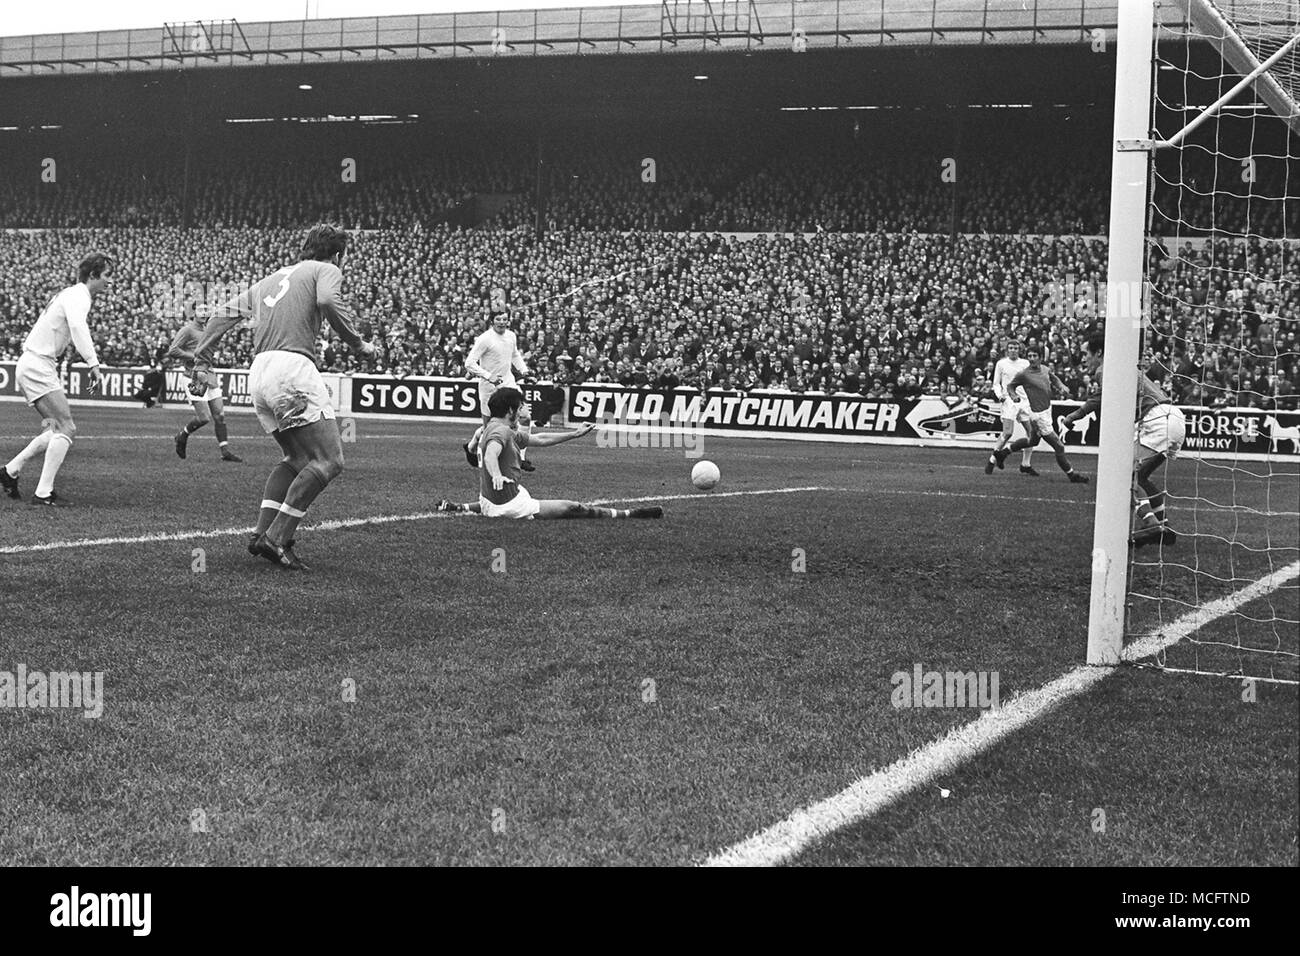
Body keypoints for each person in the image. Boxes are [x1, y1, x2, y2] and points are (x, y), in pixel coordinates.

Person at [190, 223, 378, 570]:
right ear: (338, 254)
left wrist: (202, 362)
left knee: (297, 457)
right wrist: (358, 344)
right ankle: (276, 538)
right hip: (292, 369)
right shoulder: (326, 269)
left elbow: (221, 315)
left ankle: (260, 534)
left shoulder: (270, 279)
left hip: (260, 372)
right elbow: (327, 300)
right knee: (329, 461)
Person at [438, 387, 663, 520]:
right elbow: (490, 454)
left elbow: (539, 439)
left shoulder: (494, 427)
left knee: (515, 494)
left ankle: (463, 507)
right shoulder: (501, 432)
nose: (523, 410)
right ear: (510, 410)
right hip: (509, 508)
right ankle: (629, 514)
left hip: (489, 500)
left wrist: (574, 434)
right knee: (572, 508)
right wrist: (496, 474)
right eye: (520, 406)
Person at [1, 253, 111, 507]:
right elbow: (78, 327)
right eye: (107, 275)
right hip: (38, 364)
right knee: (66, 427)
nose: (110, 281)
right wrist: (93, 363)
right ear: (93, 275)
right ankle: (43, 493)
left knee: (56, 428)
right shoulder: (79, 296)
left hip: (35, 363)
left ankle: (10, 471)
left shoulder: (71, 294)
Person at [1060, 332, 1185, 548]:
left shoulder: (1105, 368)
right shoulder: (1123, 365)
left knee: (1124, 474)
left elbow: (1099, 398)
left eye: (1086, 353)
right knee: (1140, 476)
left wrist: (1073, 416)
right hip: (1174, 418)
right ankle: (1163, 526)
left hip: (1155, 420)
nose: (1084, 359)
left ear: (1099, 352)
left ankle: (1151, 524)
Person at [991, 347, 1089, 484]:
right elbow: (1010, 386)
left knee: (1033, 441)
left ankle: (1002, 453)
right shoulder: (1024, 374)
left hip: (1047, 410)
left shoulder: (1045, 369)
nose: (1031, 358)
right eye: (1029, 356)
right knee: (1059, 446)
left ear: (1040, 357)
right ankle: (1072, 475)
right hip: (1037, 415)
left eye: (1034, 355)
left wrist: (1062, 386)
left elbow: (1054, 378)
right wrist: (1013, 396)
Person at [463, 297, 534, 472]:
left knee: (525, 417)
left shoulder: (511, 336)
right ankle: (472, 447)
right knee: (491, 428)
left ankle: (520, 457)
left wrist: (524, 370)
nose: (502, 322)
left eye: (504, 319)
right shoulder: (485, 339)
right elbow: (469, 363)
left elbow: (515, 355)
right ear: (492, 321)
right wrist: (489, 376)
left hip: (509, 383)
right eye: (498, 319)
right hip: (489, 388)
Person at [164, 309, 243, 461]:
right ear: (194, 312)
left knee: (220, 416)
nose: (204, 313)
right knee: (204, 418)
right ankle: (182, 435)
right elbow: (173, 350)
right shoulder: (187, 330)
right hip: (193, 377)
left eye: (207, 311)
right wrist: (194, 357)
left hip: (210, 375)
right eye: (201, 310)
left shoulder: (207, 331)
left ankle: (225, 452)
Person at [984, 340, 1036, 475]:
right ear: (1007, 350)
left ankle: (1025, 464)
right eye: (1011, 348)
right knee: (1007, 433)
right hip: (1009, 401)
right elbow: (996, 383)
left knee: (1032, 434)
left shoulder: (1025, 363)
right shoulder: (1001, 364)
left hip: (1024, 401)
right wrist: (1000, 395)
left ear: (1019, 350)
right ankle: (992, 460)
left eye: (1016, 348)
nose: (1013, 350)